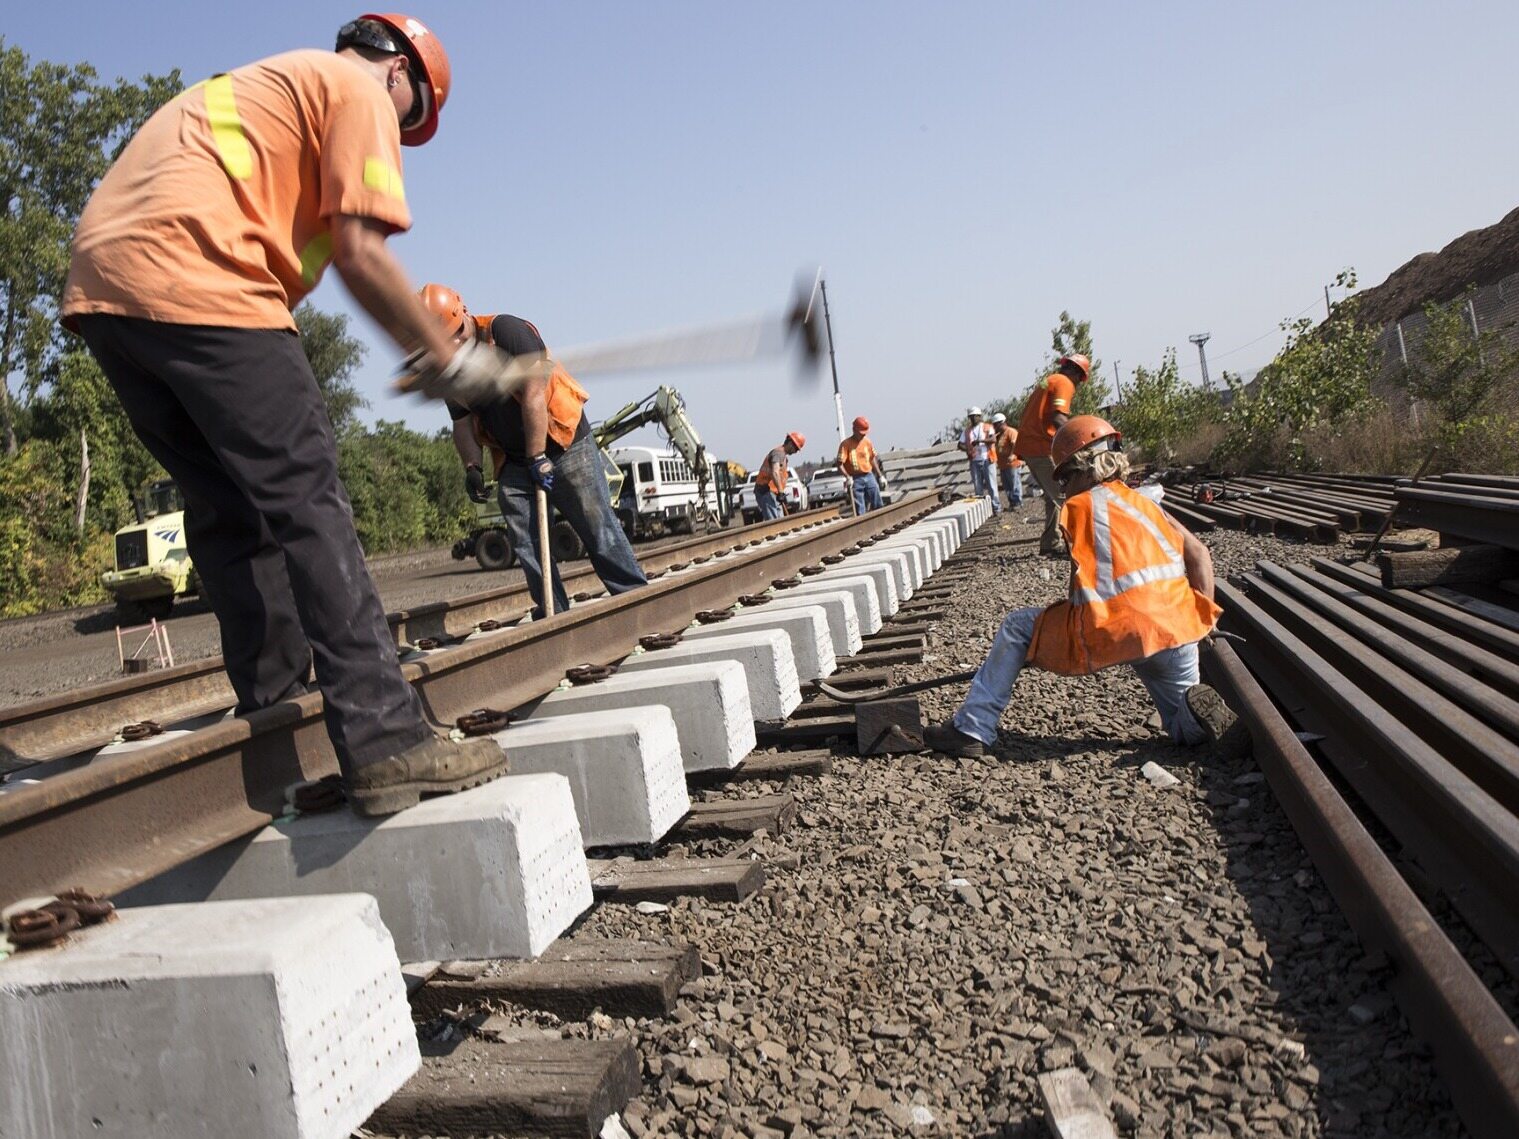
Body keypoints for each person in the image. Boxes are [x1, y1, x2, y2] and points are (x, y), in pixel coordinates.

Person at [61, 15, 525, 818]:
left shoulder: (268, 84)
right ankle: (387, 740)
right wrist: (449, 359)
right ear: (400, 73)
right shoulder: (358, 88)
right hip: (205, 279)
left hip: (107, 294)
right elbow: (361, 251)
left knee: (230, 510)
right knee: (308, 501)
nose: (398, 135)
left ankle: (278, 719)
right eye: (409, 120)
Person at [923, 416, 1244, 760]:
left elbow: (1079, 585)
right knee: (1180, 722)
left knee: (1017, 628)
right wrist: (1204, 621)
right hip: (1177, 628)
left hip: (1114, 627)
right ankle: (1195, 718)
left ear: (1081, 469)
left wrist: (1043, 645)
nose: (1062, 488)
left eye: (1064, 477)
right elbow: (1199, 554)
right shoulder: (1147, 503)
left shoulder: (1077, 508)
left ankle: (972, 728)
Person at [420, 284, 647, 616]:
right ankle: (553, 613)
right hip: (514, 458)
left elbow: (533, 394)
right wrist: (472, 467)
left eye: (457, 334)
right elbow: (461, 422)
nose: (455, 345)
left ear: (464, 312)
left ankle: (635, 599)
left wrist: (537, 457)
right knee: (525, 538)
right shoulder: (449, 369)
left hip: (563, 442)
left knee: (596, 525)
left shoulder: (506, 332)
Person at [1016, 353, 1090, 554]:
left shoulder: (1049, 380)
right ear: (1077, 374)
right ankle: (1079, 545)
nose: (1078, 385)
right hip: (1039, 446)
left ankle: (1051, 543)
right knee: (1065, 494)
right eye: (1080, 381)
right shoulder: (1064, 382)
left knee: (1053, 497)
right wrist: (1080, 440)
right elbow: (1058, 418)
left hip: (1032, 445)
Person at [837, 416, 887, 515]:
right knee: (859, 506)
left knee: (876, 497)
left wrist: (880, 475)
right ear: (854, 430)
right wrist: (847, 477)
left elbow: (872, 458)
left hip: (869, 475)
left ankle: (880, 517)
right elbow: (839, 464)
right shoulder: (846, 444)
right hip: (855, 478)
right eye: (861, 433)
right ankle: (862, 520)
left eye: (864, 433)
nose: (863, 435)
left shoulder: (867, 442)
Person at [959, 407, 1001, 514]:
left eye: (975, 416)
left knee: (992, 485)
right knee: (978, 487)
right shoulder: (967, 431)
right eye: (971, 417)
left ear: (979, 416)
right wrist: (968, 449)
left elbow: (993, 439)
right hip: (974, 461)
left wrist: (980, 441)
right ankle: (981, 511)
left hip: (988, 459)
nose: (973, 419)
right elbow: (960, 444)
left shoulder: (988, 427)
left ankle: (996, 508)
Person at [756, 432, 804, 520]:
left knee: (780, 520)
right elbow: (775, 472)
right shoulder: (778, 453)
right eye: (796, 448)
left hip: (774, 493)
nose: (796, 452)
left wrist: (780, 492)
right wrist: (781, 492)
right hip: (766, 491)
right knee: (774, 523)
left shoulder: (783, 457)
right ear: (790, 443)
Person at [990, 412, 1024, 508]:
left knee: (1014, 484)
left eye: (996, 425)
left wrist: (1013, 455)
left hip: (1012, 464)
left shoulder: (1011, 432)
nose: (995, 427)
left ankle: (1018, 502)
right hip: (1003, 464)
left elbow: (1015, 445)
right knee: (1007, 485)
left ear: (1002, 423)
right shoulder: (999, 435)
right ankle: (1012, 503)